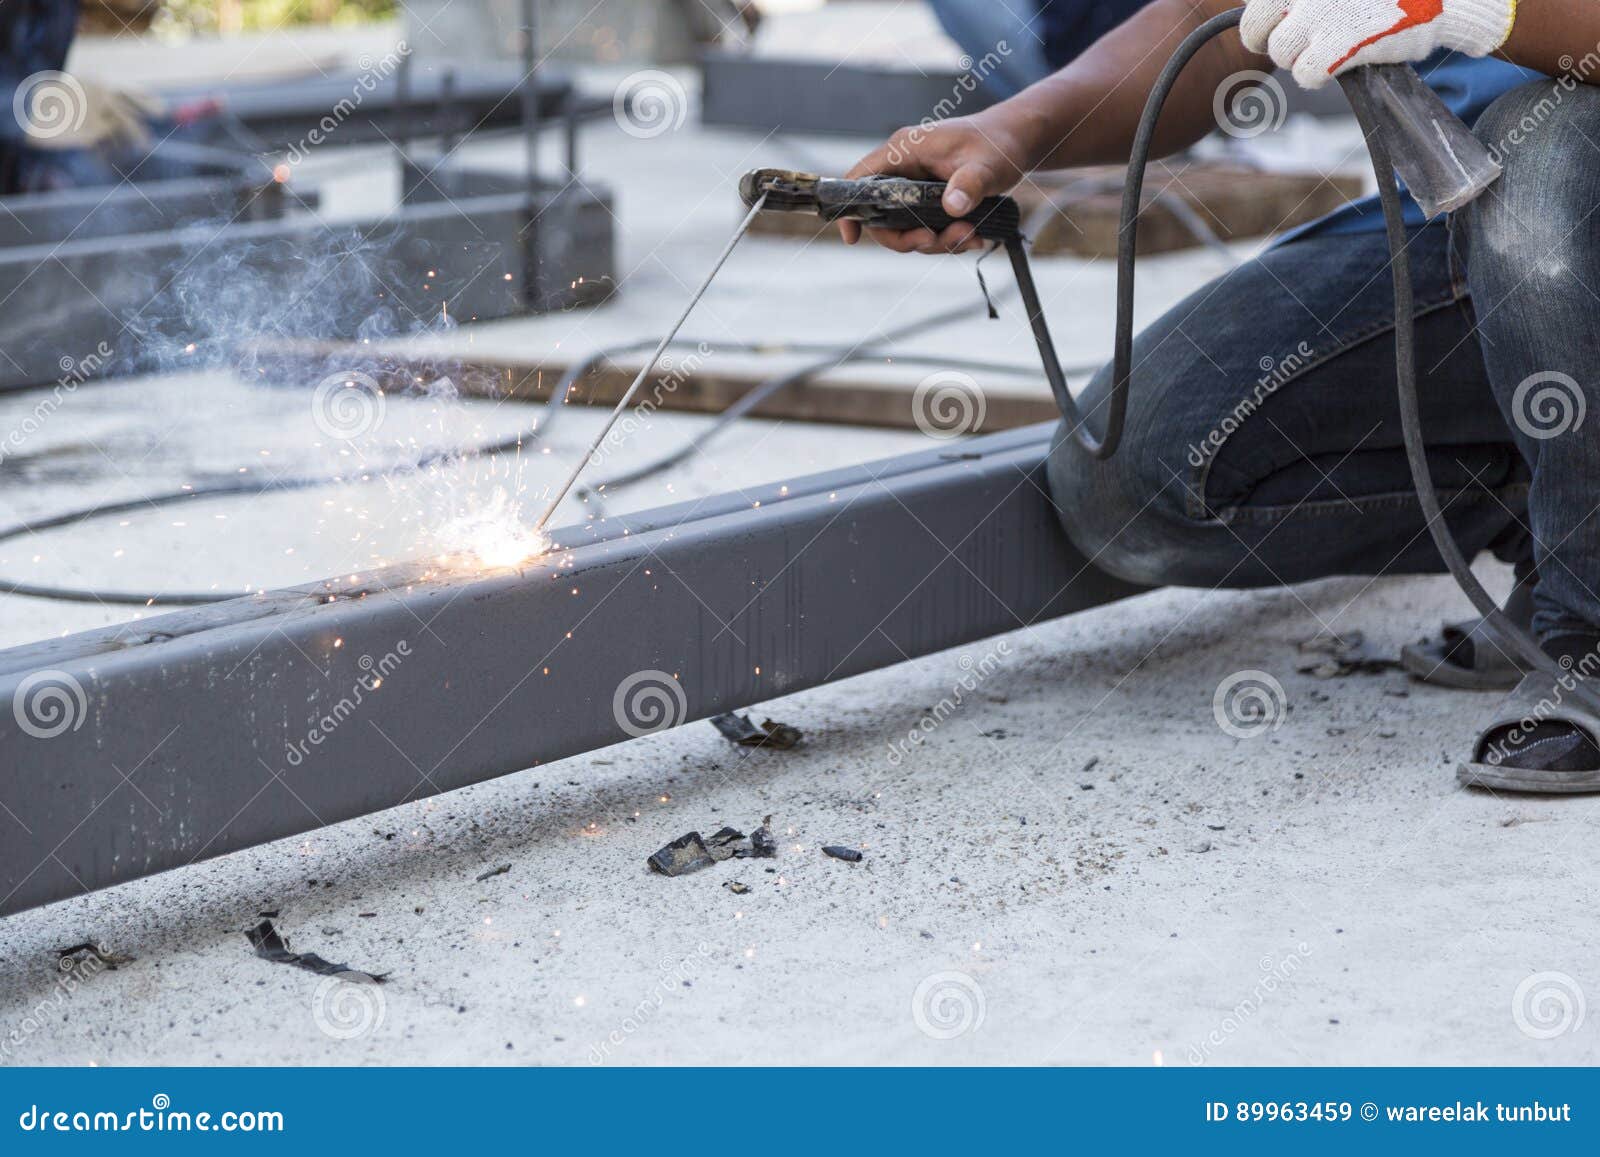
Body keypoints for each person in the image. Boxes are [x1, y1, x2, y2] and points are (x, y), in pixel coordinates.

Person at [843, 0, 1600, 793]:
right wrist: (1017, 131)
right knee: (1134, 477)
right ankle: (1560, 525)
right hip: (1474, 208)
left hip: (1556, 194)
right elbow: (1205, 17)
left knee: (1546, 158)